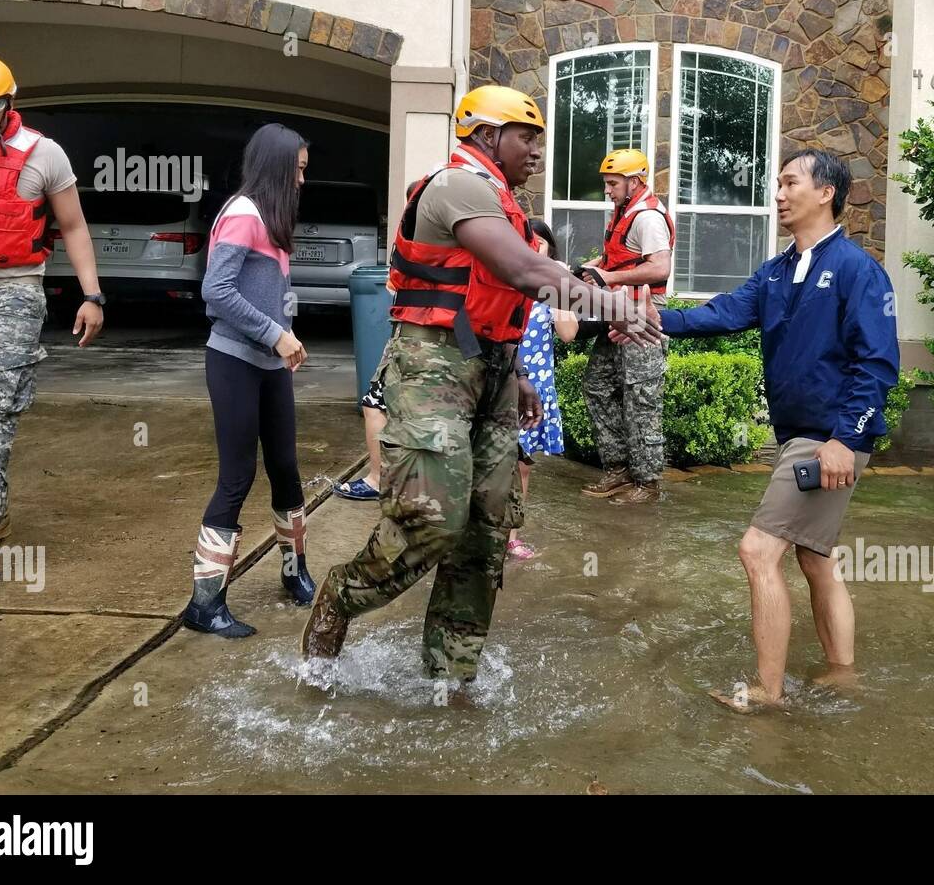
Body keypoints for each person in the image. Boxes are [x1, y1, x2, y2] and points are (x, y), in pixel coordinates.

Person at [301, 85, 660, 678]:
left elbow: (495, 302)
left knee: (487, 529)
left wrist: (517, 372)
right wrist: (615, 306)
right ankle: (343, 594)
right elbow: (523, 270)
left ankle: (451, 675)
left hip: (491, 372)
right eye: (528, 137)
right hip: (432, 368)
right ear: (488, 135)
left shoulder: (499, 201)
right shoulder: (457, 186)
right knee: (433, 520)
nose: (537, 152)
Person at [639, 148, 898, 710]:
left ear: (826, 192)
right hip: (802, 438)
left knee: (757, 550)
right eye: (777, 184)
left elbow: (877, 363)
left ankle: (767, 693)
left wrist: (845, 441)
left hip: (827, 439)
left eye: (789, 183)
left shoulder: (857, 269)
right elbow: (722, 313)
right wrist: (649, 317)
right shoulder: (778, 271)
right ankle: (842, 673)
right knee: (815, 557)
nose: (778, 194)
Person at [0, 54, 104, 592]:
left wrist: (92, 296)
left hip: (11, 292)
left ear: (10, 101)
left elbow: (75, 226)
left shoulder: (44, 154)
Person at [182, 123, 314, 638]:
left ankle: (294, 570)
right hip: (234, 361)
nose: (302, 180)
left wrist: (286, 334)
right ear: (278, 167)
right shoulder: (243, 214)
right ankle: (204, 604)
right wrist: (273, 334)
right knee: (237, 477)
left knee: (285, 468)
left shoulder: (272, 220)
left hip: (269, 365)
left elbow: (266, 293)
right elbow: (215, 292)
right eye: (298, 169)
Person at [579, 148, 675, 505]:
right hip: (617, 311)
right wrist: (582, 271)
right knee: (598, 384)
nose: (607, 190)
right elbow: (613, 258)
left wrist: (608, 276)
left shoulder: (647, 217)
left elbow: (660, 268)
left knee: (641, 396)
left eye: (612, 183)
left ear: (634, 182)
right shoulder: (624, 212)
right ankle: (619, 469)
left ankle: (647, 484)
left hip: (642, 316)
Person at [333, 187, 419, 503]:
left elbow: (394, 284)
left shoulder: (416, 244)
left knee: (375, 404)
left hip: (414, 340)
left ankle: (378, 479)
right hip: (424, 340)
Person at [509, 219, 579, 561]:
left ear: (551, 248)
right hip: (499, 378)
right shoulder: (506, 276)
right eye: (528, 242)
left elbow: (568, 334)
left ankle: (511, 535)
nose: (535, 248)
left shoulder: (551, 287)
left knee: (522, 462)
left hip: (534, 385)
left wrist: (560, 287)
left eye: (541, 243)